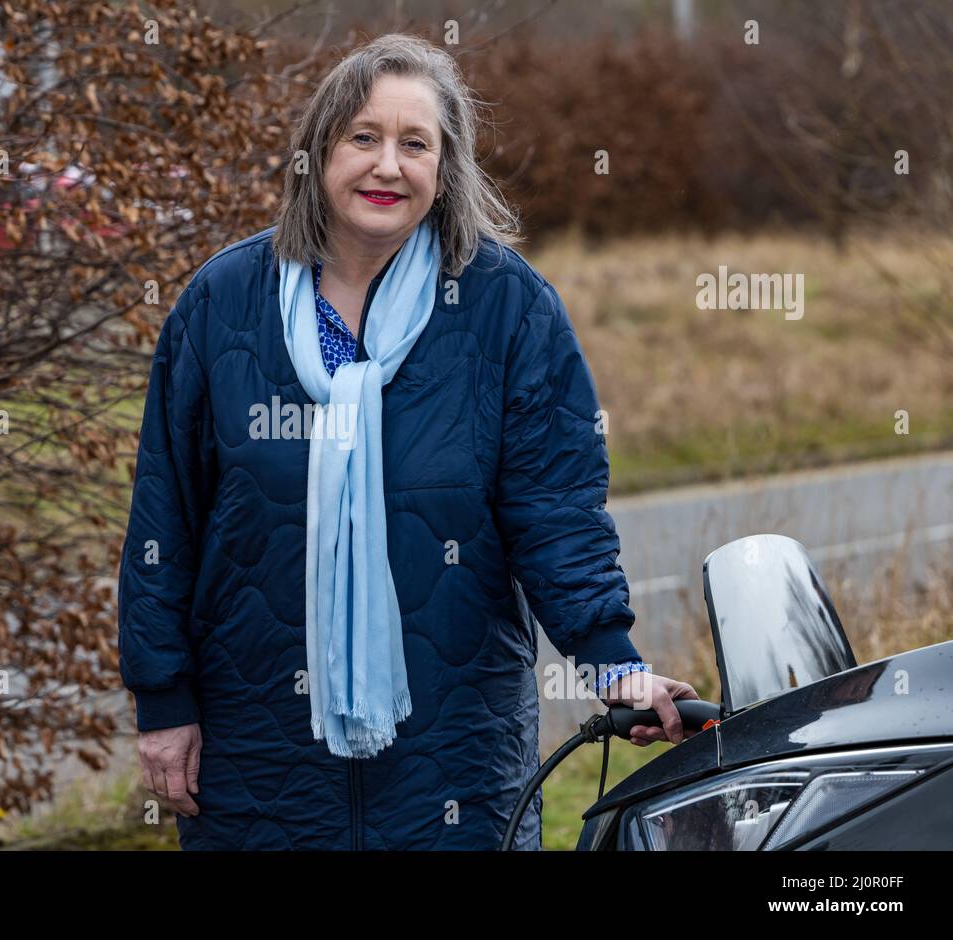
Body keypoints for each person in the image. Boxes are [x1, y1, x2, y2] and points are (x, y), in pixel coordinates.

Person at [117, 32, 698, 851]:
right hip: (259, 756)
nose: (387, 166)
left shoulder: (507, 309)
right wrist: (164, 702)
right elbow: (164, 520)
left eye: (414, 144)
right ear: (317, 153)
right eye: (363, 138)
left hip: (454, 755)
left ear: (444, 168)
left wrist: (613, 664)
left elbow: (555, 513)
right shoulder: (221, 305)